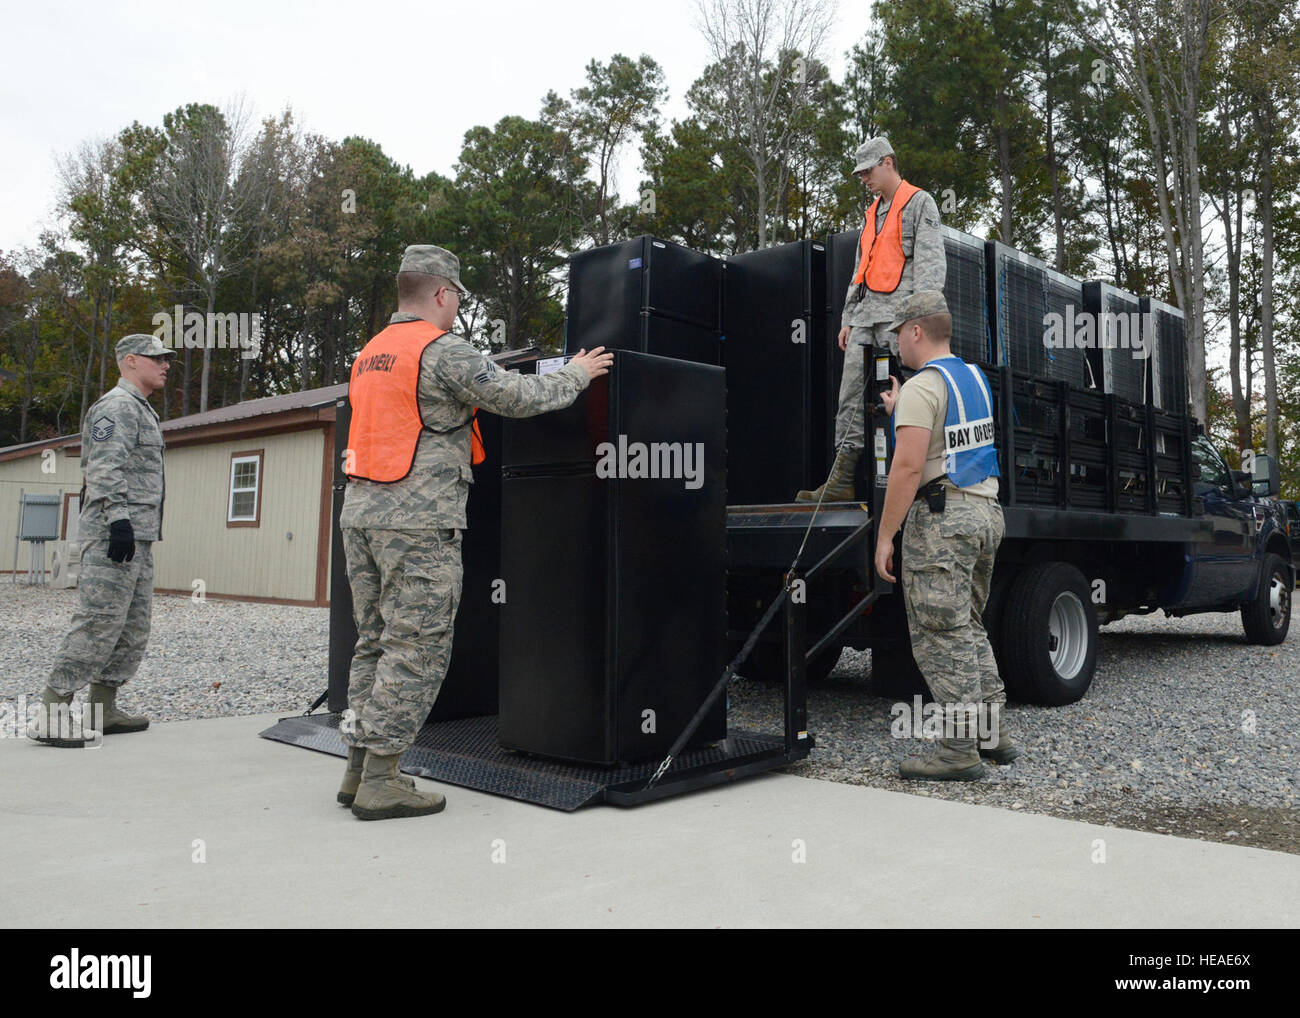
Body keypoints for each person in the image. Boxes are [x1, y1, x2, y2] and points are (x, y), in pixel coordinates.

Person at [338, 244, 613, 821]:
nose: (458, 307)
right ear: (441, 293)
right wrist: (577, 373)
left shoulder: (371, 353)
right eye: (458, 296)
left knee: (374, 641)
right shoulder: (440, 349)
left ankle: (358, 768)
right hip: (418, 522)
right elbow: (515, 397)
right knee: (416, 648)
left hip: (361, 517)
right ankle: (383, 779)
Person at [871, 291, 1018, 780]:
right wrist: (901, 410)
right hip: (985, 513)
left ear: (916, 330)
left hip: (942, 521)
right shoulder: (974, 380)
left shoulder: (920, 387)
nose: (895, 343)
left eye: (897, 333)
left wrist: (886, 536)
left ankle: (957, 750)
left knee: (940, 636)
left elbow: (909, 466)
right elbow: (946, 439)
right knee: (968, 627)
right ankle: (991, 732)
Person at [29, 334, 172, 747]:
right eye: (157, 359)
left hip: (138, 535)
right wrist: (118, 521)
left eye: (167, 360)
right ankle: (52, 713)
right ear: (130, 361)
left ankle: (102, 709)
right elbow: (103, 467)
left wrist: (133, 527)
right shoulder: (116, 407)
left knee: (131, 627)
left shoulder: (142, 409)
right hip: (114, 532)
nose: (165, 365)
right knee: (98, 622)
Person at [797, 136, 946, 503]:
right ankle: (841, 478)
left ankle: (923, 473)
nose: (864, 178)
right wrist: (848, 318)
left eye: (868, 171)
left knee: (910, 390)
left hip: (900, 317)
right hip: (864, 317)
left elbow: (930, 265)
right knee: (850, 395)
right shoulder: (870, 216)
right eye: (860, 173)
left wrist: (920, 319)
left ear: (888, 163)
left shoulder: (919, 202)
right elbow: (859, 270)